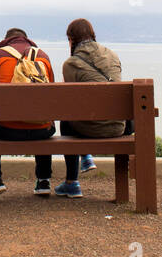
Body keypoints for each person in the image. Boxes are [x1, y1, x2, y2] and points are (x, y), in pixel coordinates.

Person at [54, 18, 131, 198]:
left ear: (71, 40)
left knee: (66, 121)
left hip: (89, 129)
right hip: (119, 128)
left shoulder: (70, 64)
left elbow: (71, 102)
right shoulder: (112, 55)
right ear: (93, 35)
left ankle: (72, 183)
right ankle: (87, 158)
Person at [0, 28, 56, 200]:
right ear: (26, 40)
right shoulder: (43, 56)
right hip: (41, 130)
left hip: (7, 130)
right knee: (45, 117)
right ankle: (43, 180)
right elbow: (51, 96)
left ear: (6, 40)